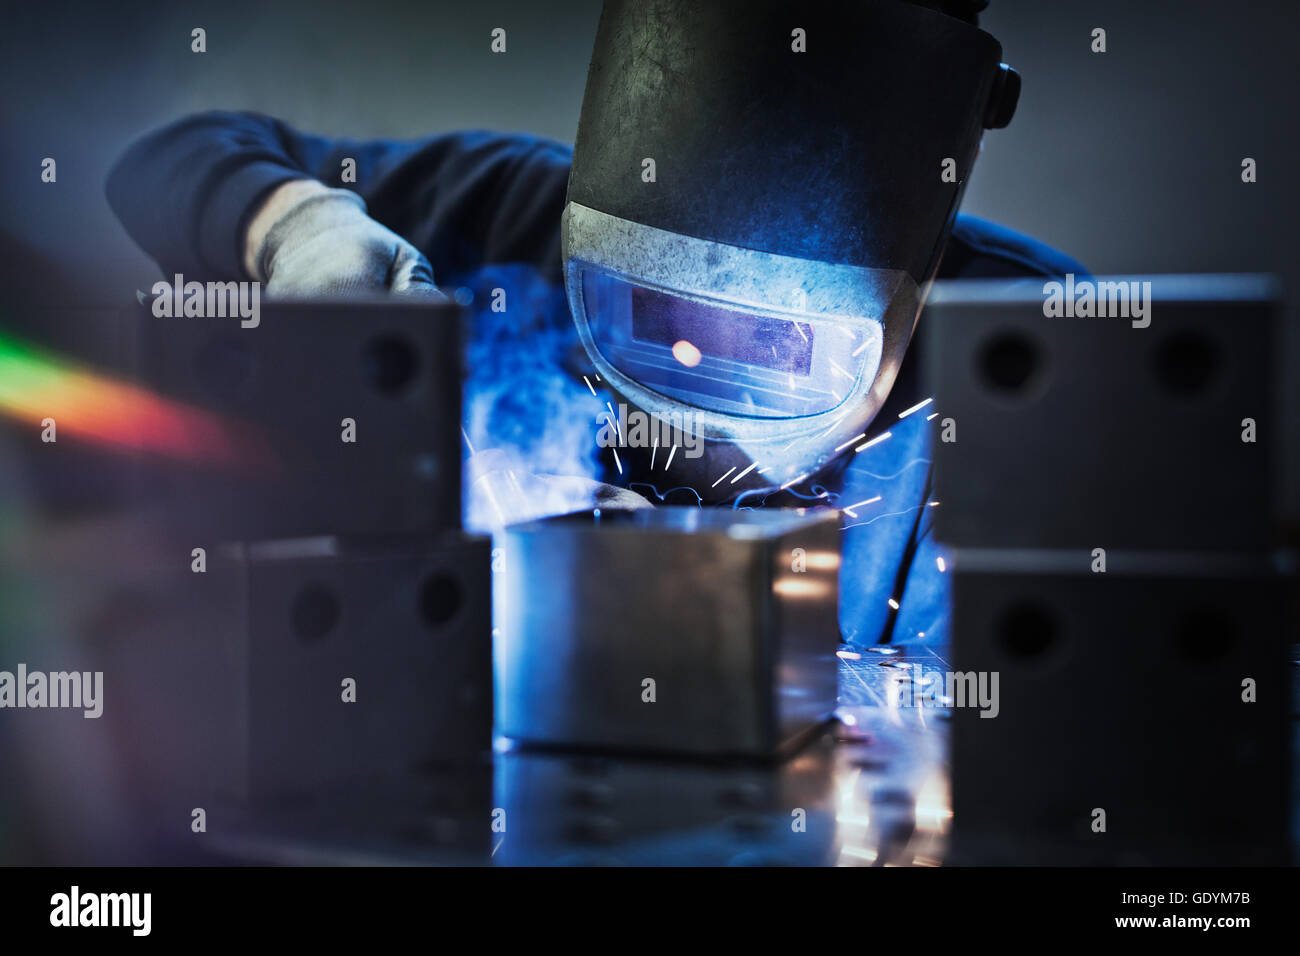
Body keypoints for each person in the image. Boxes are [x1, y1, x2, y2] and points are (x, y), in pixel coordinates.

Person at [105, 0, 1086, 648]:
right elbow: (163, 159)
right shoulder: (497, 212)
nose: (702, 362)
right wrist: (297, 228)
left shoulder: (1030, 347)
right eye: (659, 312)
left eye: (775, 344)